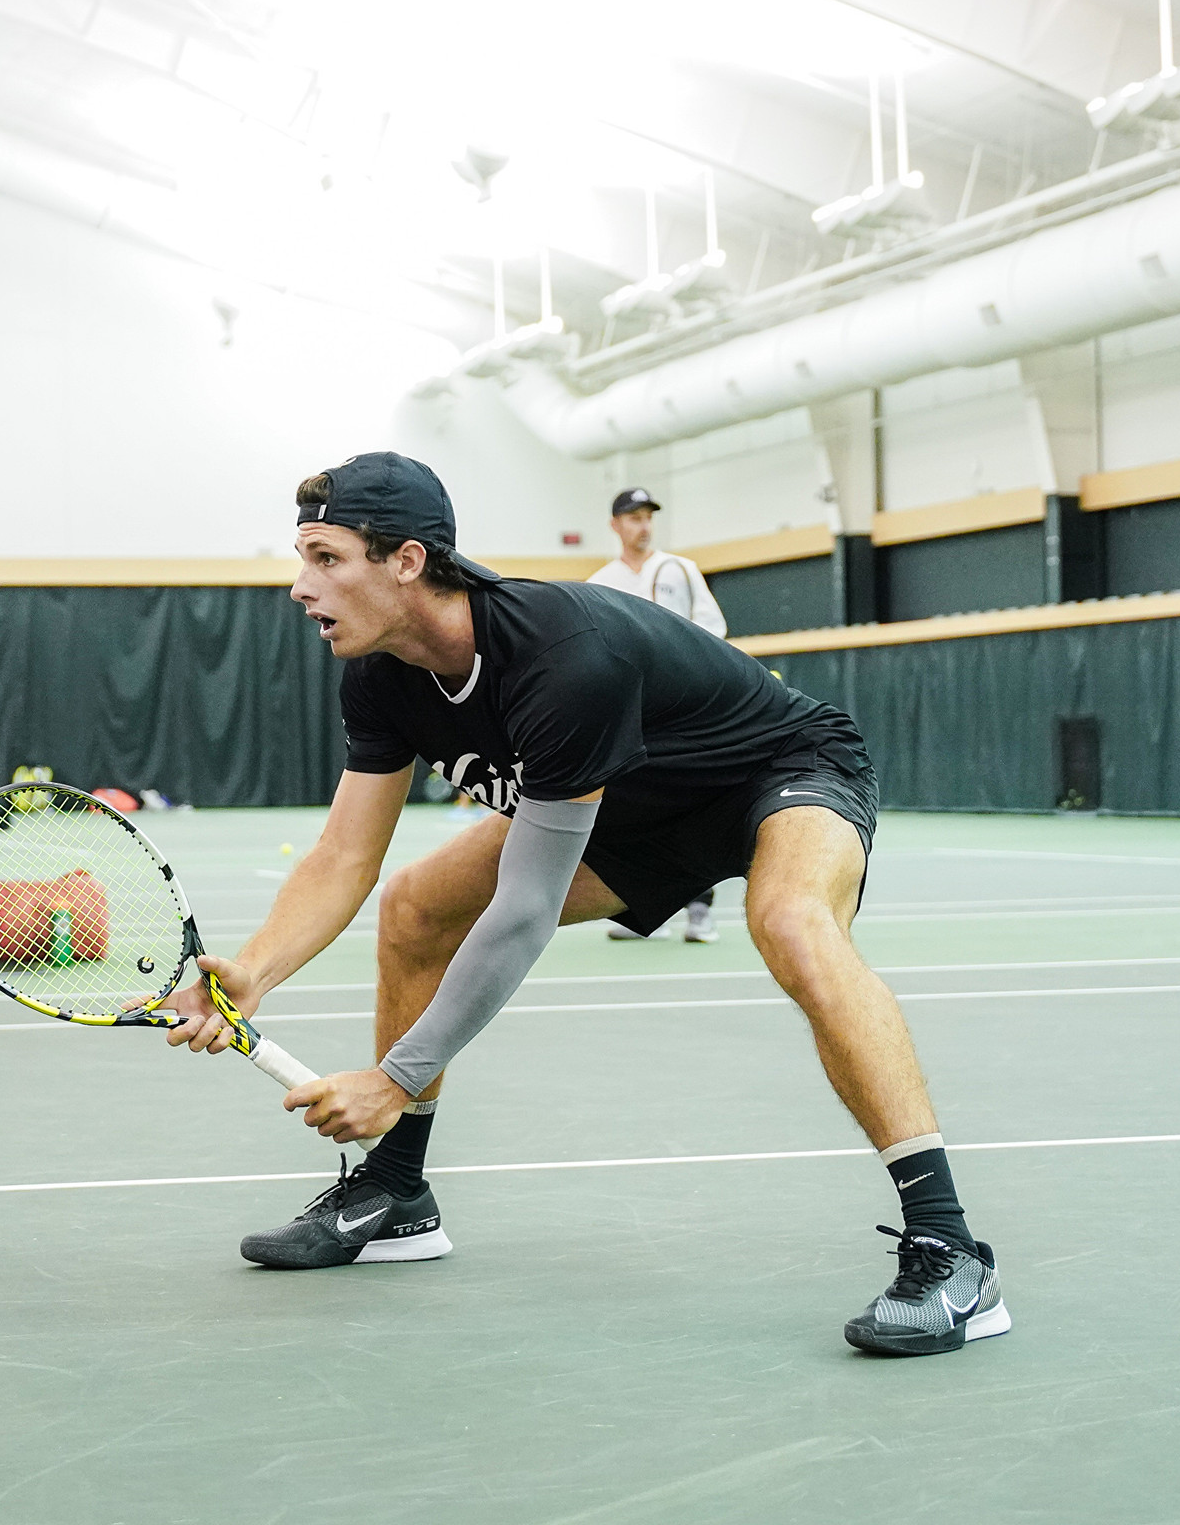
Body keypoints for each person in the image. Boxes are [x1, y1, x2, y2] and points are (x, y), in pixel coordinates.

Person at [163, 452, 1009, 1357]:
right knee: (418, 906)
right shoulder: (380, 673)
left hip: (777, 774)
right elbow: (343, 854)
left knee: (793, 924)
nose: (302, 586)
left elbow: (526, 908)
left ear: (406, 561)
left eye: (326, 558)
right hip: (629, 805)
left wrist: (396, 1075)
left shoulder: (562, 656)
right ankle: (398, 1194)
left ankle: (950, 1248)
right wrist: (251, 970)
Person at [587, 486, 730, 942]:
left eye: (648, 516)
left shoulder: (681, 570)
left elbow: (713, 631)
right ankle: (646, 910)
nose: (643, 525)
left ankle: (701, 910)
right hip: (631, 717)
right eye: (633, 517)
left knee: (695, 804)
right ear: (615, 525)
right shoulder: (598, 583)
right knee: (634, 810)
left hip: (686, 712)